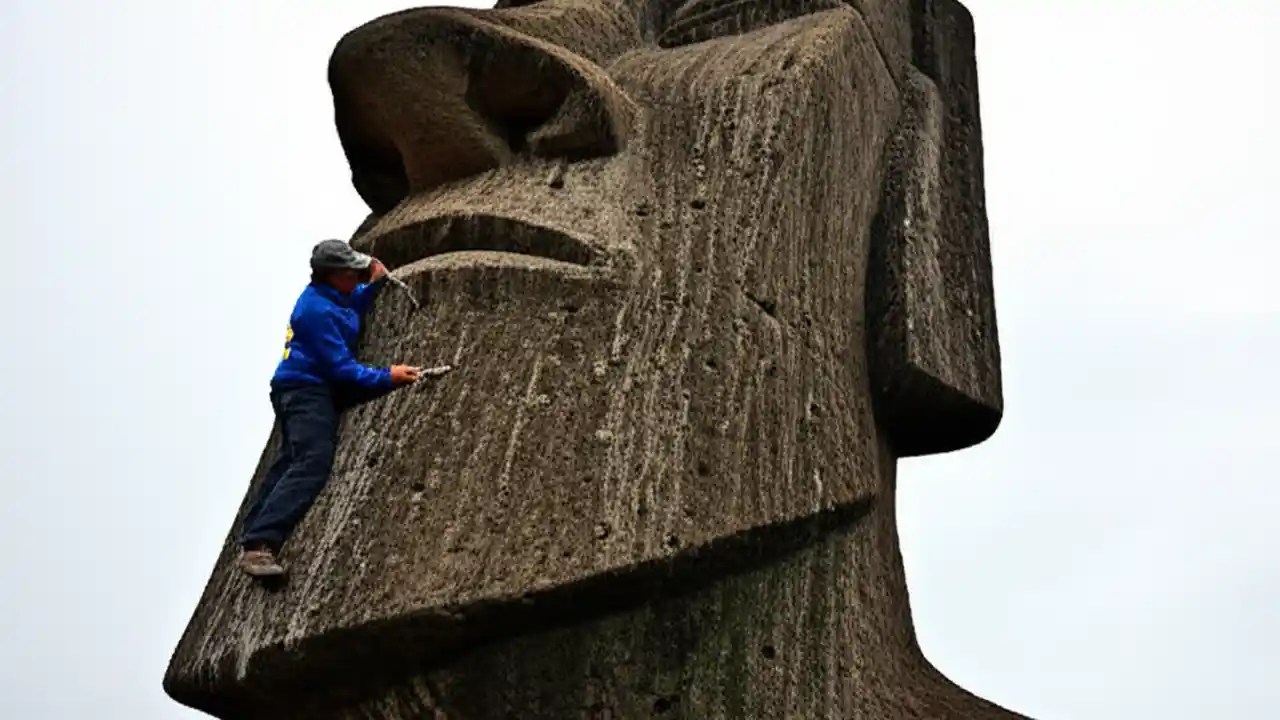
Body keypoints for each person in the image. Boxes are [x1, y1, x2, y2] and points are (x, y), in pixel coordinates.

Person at [238, 239, 421, 578]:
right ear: (331, 275)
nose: (357, 276)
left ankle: (253, 530)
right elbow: (342, 368)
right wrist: (387, 377)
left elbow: (350, 307)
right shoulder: (314, 311)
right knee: (312, 460)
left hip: (311, 387)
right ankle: (260, 544)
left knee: (291, 458)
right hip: (305, 389)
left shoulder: (333, 298)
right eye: (351, 272)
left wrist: (373, 283)